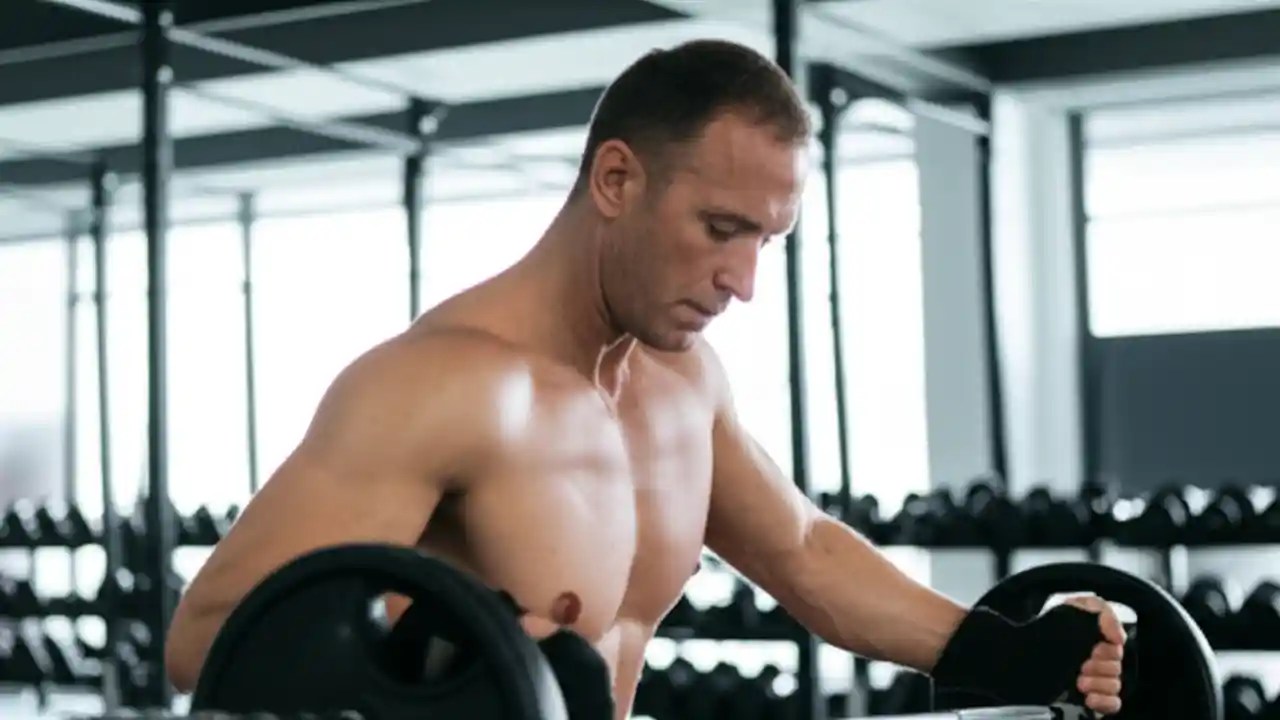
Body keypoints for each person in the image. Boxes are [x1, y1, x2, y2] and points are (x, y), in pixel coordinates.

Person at [164, 39, 1126, 717]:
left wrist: (1004, 648)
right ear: (617, 182)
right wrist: (453, 656)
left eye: (766, 241)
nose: (743, 282)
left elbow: (803, 554)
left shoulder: (683, 385)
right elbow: (204, 639)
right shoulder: (441, 388)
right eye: (720, 230)